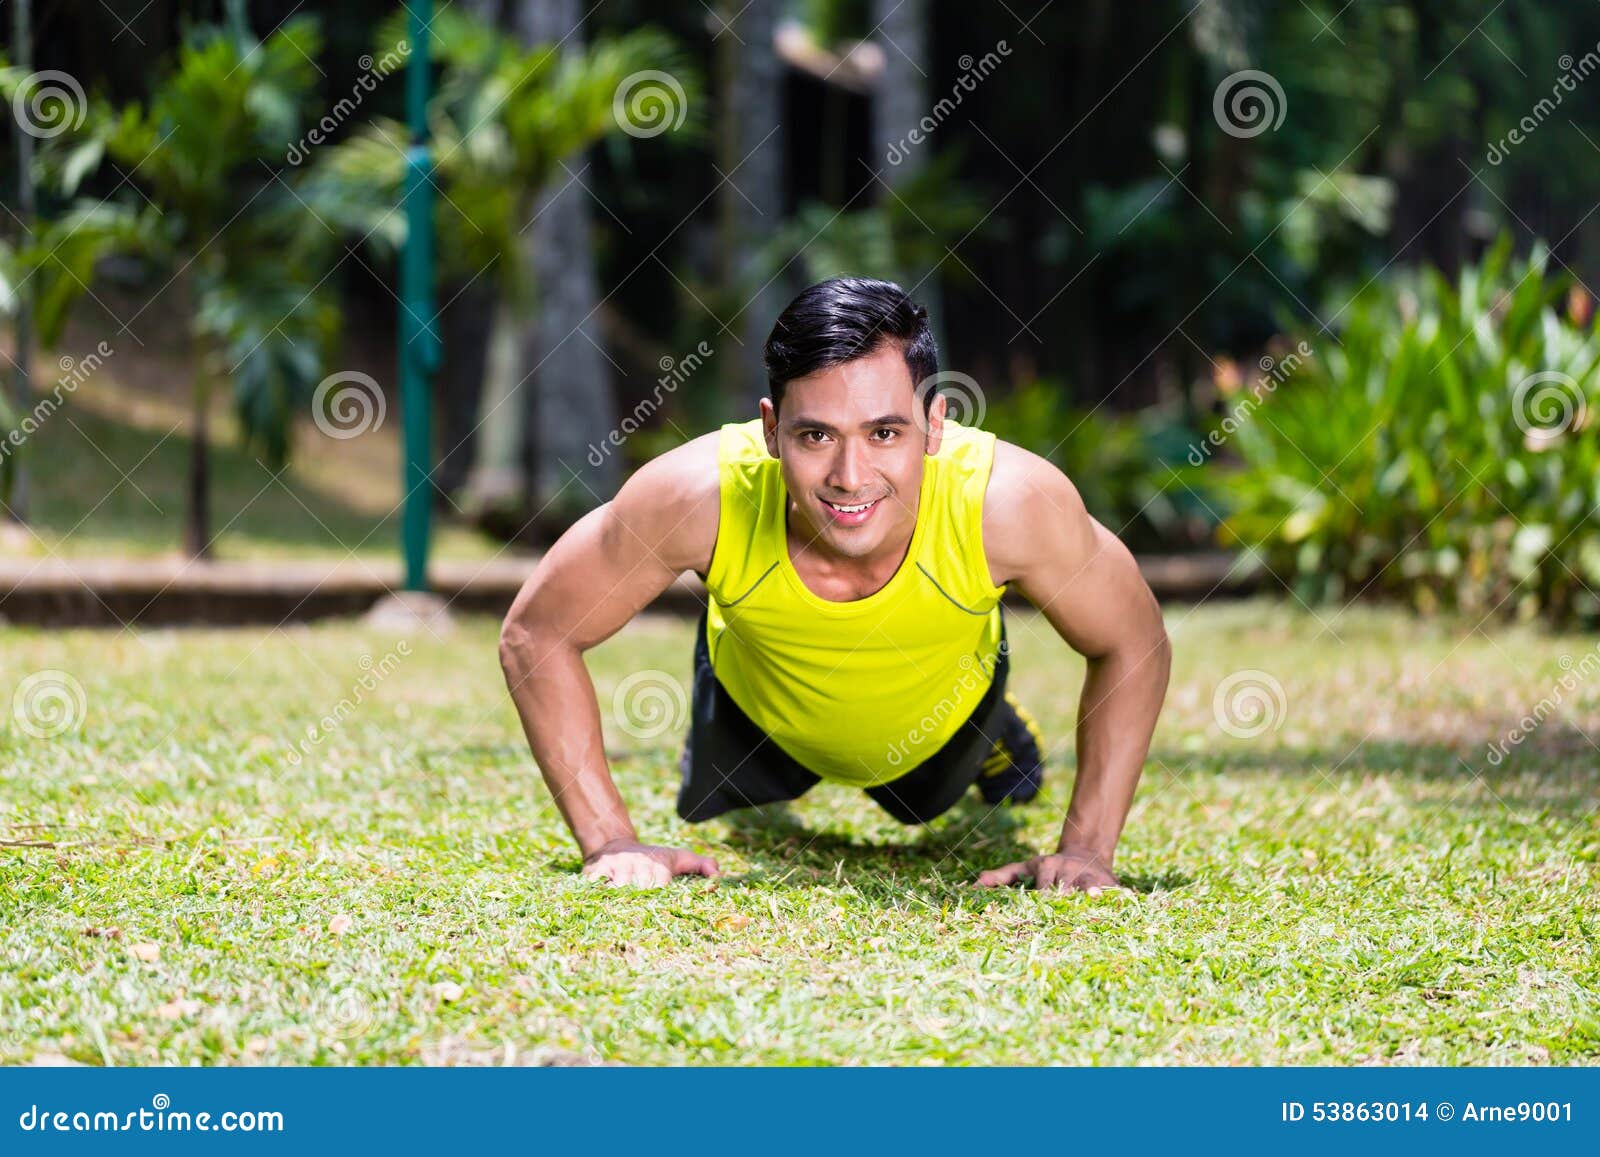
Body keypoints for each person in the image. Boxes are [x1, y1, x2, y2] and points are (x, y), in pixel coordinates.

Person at [499, 277, 1171, 893]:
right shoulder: (698, 495)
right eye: (815, 434)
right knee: (716, 796)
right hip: (752, 708)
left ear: (935, 425)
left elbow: (1135, 640)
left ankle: (996, 731)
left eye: (884, 432)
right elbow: (537, 632)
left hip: (940, 724)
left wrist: (1087, 851)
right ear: (770, 429)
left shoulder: (1008, 503)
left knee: (923, 797)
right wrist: (610, 841)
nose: (850, 475)